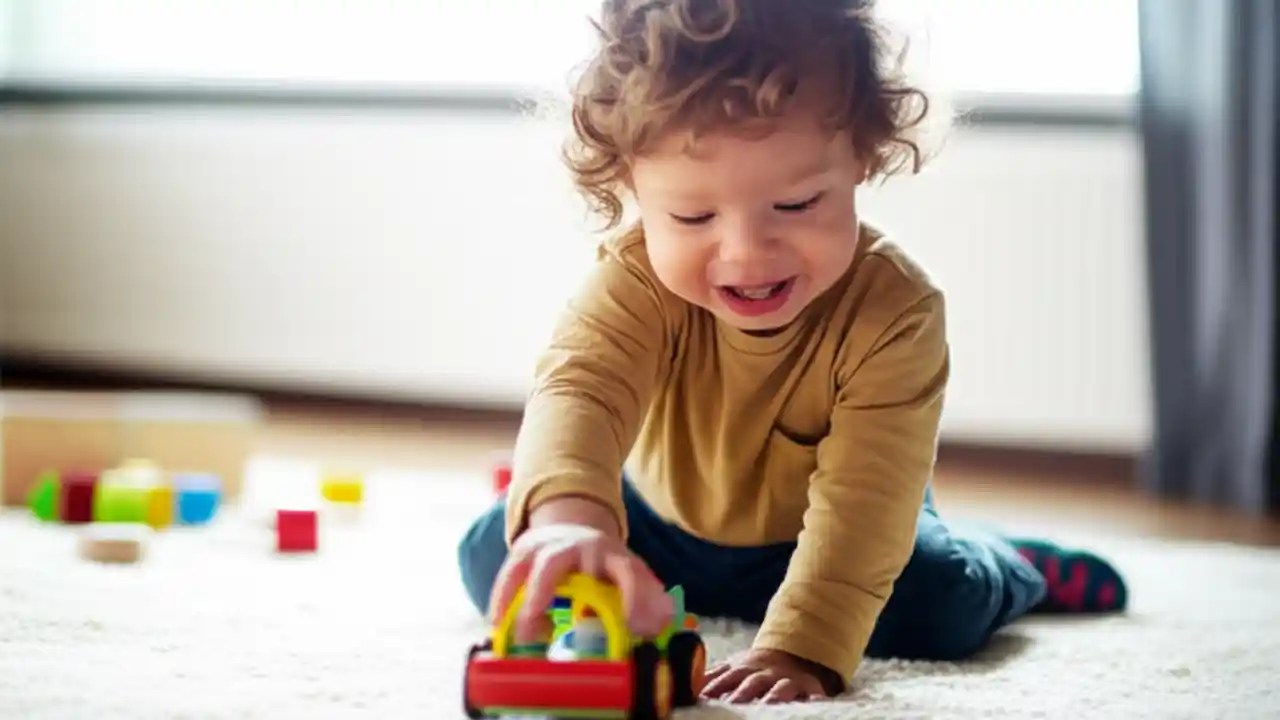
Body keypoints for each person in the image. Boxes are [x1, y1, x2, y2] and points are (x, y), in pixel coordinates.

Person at [457, 0, 1127, 704]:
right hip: (660, 517)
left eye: (799, 204)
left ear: (862, 155)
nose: (747, 253)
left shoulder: (896, 313)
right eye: (693, 216)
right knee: (495, 557)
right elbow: (580, 388)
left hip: (823, 530)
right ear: (629, 181)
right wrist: (570, 525)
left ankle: (1011, 562)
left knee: (939, 605)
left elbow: (864, 502)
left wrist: (802, 646)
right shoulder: (633, 284)